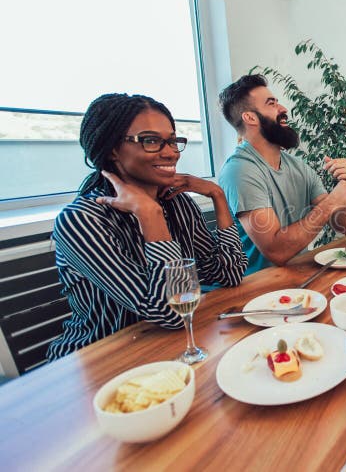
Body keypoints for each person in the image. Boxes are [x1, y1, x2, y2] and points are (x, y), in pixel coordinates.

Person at [47, 93, 247, 360]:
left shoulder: (178, 204)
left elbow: (230, 274)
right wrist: (150, 216)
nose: (170, 152)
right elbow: (170, 313)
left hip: (168, 350)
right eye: (151, 140)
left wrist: (218, 196)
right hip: (101, 362)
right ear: (113, 149)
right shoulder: (82, 220)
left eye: (173, 140)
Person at [217, 75, 346, 273]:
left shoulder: (298, 166)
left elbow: (342, 224)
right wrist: (332, 202)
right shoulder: (239, 171)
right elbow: (277, 252)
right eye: (271, 103)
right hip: (255, 289)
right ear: (250, 117)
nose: (283, 109)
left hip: (297, 278)